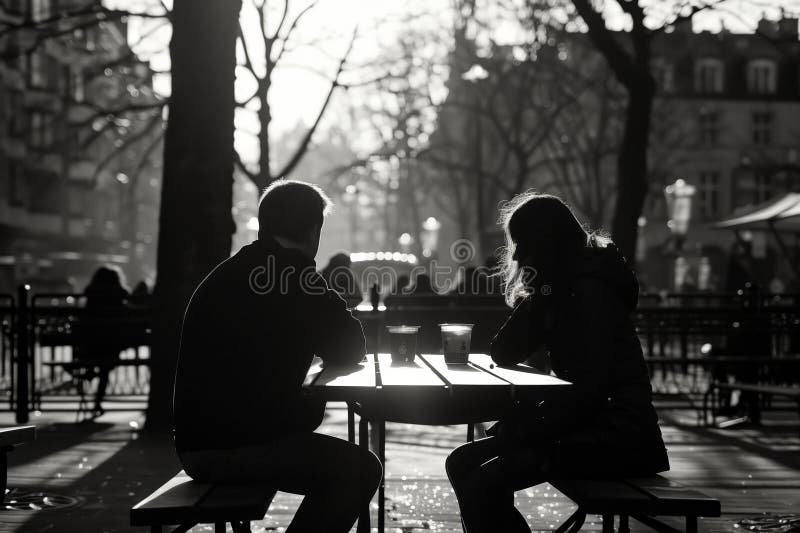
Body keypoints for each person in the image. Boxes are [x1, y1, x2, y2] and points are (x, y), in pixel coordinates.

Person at [445, 192, 669, 532]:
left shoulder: (590, 292)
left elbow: (591, 391)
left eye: (522, 243)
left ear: (547, 243)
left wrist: (529, 429)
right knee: (462, 462)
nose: (516, 255)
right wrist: (541, 292)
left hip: (620, 436)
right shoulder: (562, 288)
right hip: (590, 427)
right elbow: (504, 350)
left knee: (483, 481)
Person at [173, 180, 382, 533]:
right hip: (238, 445)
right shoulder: (293, 276)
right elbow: (350, 346)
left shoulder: (234, 271)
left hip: (199, 442)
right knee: (361, 470)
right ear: (314, 229)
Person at [75, 266, 130, 416]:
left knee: (95, 359)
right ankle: (97, 401)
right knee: (105, 368)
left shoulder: (91, 293)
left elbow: (83, 321)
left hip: (90, 346)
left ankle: (90, 371)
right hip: (111, 347)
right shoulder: (120, 294)